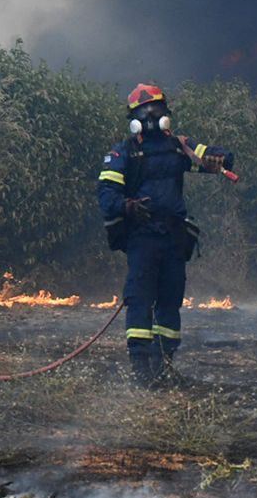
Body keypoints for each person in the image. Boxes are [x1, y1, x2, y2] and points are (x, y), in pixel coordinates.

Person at [96, 83, 234, 387]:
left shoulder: (178, 147)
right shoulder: (123, 152)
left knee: (170, 303)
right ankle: (141, 372)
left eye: (155, 109)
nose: (150, 115)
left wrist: (222, 159)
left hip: (173, 239)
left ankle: (164, 367)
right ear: (133, 119)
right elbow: (106, 194)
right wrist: (127, 206)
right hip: (142, 239)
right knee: (140, 302)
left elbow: (207, 157)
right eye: (143, 111)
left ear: (165, 112)